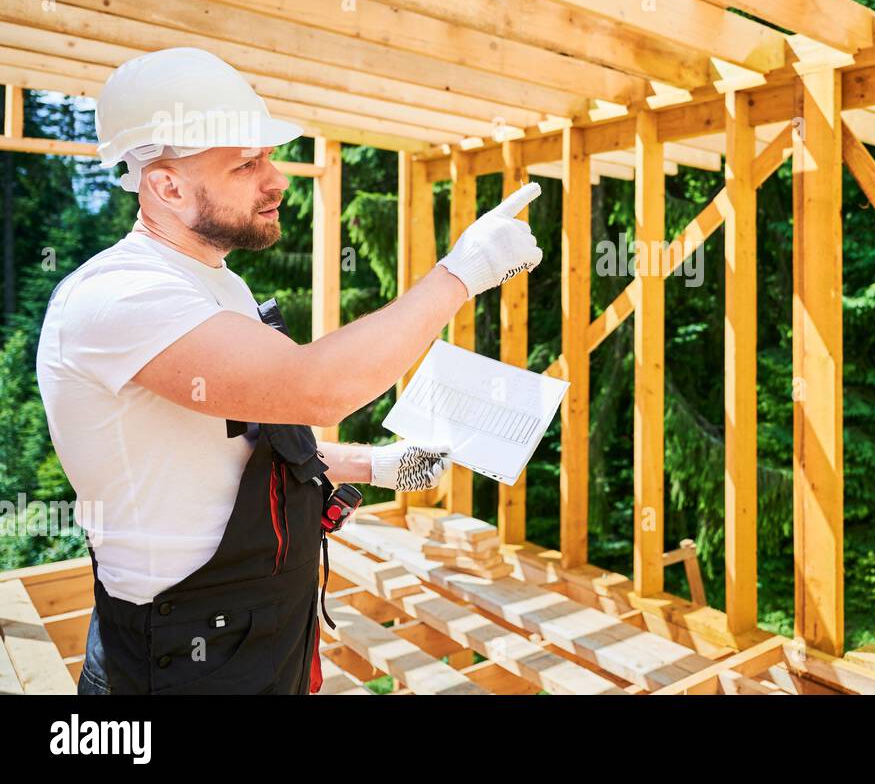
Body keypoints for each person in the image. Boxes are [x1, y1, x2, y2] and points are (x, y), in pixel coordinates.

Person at [35, 47, 543, 694]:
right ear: (165, 185)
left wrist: (373, 464)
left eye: (267, 157)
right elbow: (315, 389)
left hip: (261, 624)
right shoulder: (122, 296)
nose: (276, 180)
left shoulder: (219, 287)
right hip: (181, 655)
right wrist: (459, 274)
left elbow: (234, 448)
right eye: (246, 164)